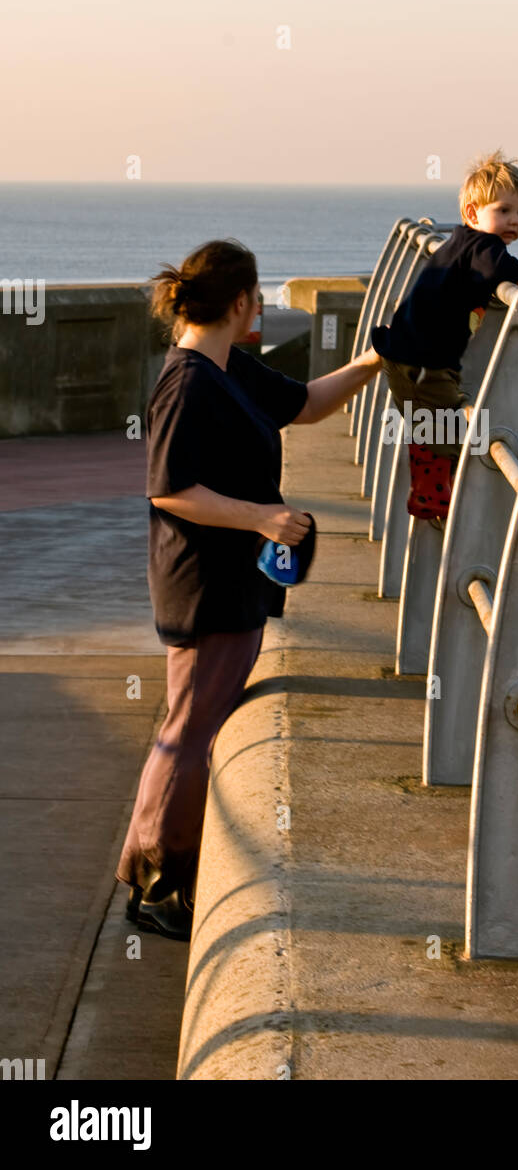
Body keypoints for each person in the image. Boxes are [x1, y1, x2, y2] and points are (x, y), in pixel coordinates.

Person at [117, 237, 382, 939]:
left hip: (231, 584)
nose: (261, 307)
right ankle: (155, 883)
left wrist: (374, 360)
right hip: (203, 586)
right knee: (189, 731)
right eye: (258, 297)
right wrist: (263, 517)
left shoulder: (229, 367)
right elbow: (171, 489)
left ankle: (158, 872)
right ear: (238, 303)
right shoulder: (188, 381)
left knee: (192, 727)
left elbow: (307, 404)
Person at [371, 150, 518, 518]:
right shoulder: (484, 246)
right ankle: (433, 498)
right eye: (503, 211)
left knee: (430, 426)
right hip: (424, 361)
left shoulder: (458, 243)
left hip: (408, 353)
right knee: (444, 426)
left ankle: (433, 494)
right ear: (473, 214)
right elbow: (501, 270)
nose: (514, 221)